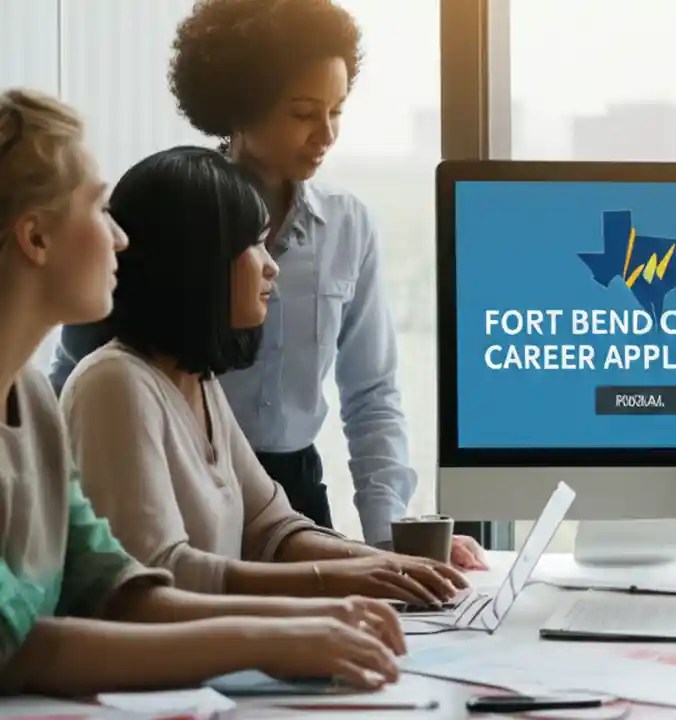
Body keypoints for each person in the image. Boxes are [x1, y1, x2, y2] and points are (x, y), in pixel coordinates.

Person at [0, 88, 404, 695]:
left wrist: (320, 613)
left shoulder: (33, 399)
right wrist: (275, 634)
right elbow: (24, 647)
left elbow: (119, 587)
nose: (121, 239)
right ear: (36, 238)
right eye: (100, 209)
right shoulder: (109, 381)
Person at [48, 0, 479, 562]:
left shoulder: (347, 225)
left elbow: (372, 395)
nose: (326, 134)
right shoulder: (168, 208)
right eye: (303, 113)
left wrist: (389, 542)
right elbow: (79, 372)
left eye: (337, 111)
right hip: (170, 479)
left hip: (286, 493)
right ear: (240, 108)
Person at [61, 146, 469, 608]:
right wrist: (336, 580)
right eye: (254, 244)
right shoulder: (115, 384)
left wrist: (391, 565)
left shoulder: (196, 379)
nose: (271, 264)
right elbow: (160, 574)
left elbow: (271, 527)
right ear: (198, 260)